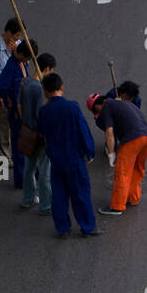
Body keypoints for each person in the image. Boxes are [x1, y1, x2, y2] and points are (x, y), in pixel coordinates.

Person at [37, 73, 104, 239]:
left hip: (56, 158)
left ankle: (63, 228)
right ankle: (87, 227)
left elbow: (42, 133)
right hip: (74, 157)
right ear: (61, 87)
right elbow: (83, 130)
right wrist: (89, 151)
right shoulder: (72, 107)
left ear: (45, 91)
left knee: (59, 194)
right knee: (80, 193)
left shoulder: (44, 111)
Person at [87, 81, 147, 216]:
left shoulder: (107, 108)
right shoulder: (125, 103)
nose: (98, 113)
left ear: (98, 105)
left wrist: (111, 153)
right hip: (146, 136)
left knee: (122, 172)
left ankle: (117, 206)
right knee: (136, 170)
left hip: (132, 139)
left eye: (95, 110)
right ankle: (132, 198)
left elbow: (109, 133)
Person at [0, 35, 37, 192]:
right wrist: (9, 100)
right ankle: (20, 179)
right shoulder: (12, 66)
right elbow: (0, 86)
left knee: (31, 142)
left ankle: (33, 173)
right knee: (20, 147)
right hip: (17, 114)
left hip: (25, 111)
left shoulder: (20, 63)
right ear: (23, 55)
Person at [18, 52, 56, 214]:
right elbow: (42, 115)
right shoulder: (39, 89)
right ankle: (46, 205)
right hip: (39, 136)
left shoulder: (25, 82)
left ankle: (28, 198)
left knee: (29, 167)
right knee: (45, 171)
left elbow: (20, 106)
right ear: (46, 69)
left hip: (27, 131)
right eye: (51, 70)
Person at [0, 16, 20, 167]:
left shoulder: (18, 45)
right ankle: (5, 156)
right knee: (3, 125)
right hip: (4, 92)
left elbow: (24, 64)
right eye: (16, 35)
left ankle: (18, 151)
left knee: (18, 122)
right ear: (8, 32)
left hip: (17, 92)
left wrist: (15, 53)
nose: (18, 38)